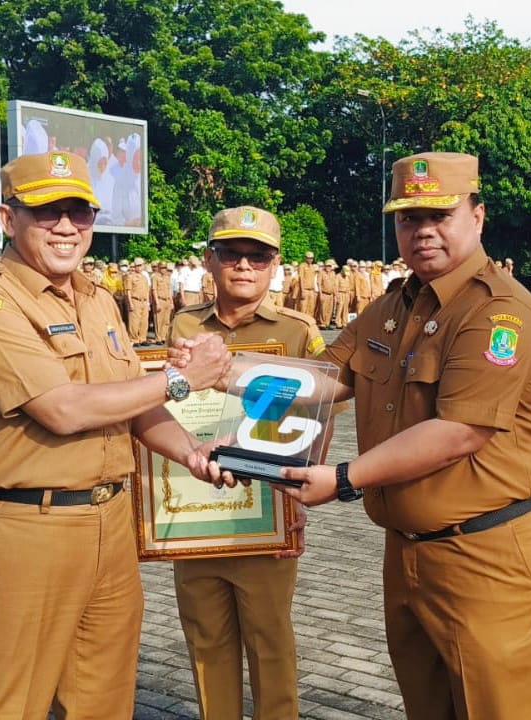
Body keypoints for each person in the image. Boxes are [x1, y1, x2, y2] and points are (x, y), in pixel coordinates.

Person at [275, 152, 531, 720]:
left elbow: (460, 431)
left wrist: (343, 479)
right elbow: (322, 379)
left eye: (439, 214)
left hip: (492, 558)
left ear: (478, 216)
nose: (423, 231)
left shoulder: (498, 314)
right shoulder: (394, 305)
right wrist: (214, 374)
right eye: (409, 218)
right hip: (411, 555)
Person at [0, 150, 231, 720]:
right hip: (26, 528)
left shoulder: (98, 299)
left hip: (109, 524)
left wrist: (193, 451)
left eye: (81, 212)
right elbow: (63, 408)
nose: (67, 227)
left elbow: (132, 405)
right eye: (48, 212)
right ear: (9, 219)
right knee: (7, 705)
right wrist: (180, 381)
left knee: (103, 700)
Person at [168, 206, 321, 720]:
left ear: (275, 265)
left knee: (270, 641)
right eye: (231, 253)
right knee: (206, 640)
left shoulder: (298, 331)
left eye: (258, 256)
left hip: (268, 511)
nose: (243, 265)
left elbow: (317, 418)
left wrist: (300, 494)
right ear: (210, 260)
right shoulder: (183, 323)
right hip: (197, 509)